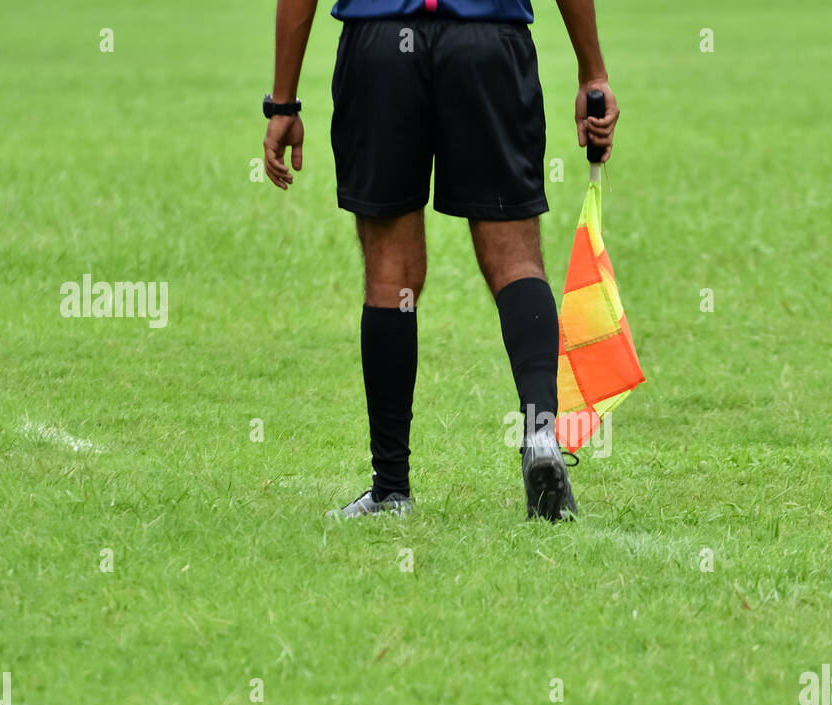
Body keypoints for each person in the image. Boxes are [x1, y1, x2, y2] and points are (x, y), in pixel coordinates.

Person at [262, 0, 620, 521]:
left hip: (382, 45)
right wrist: (593, 71)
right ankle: (541, 435)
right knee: (516, 258)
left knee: (391, 274)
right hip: (488, 43)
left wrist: (284, 104)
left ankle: (391, 491)